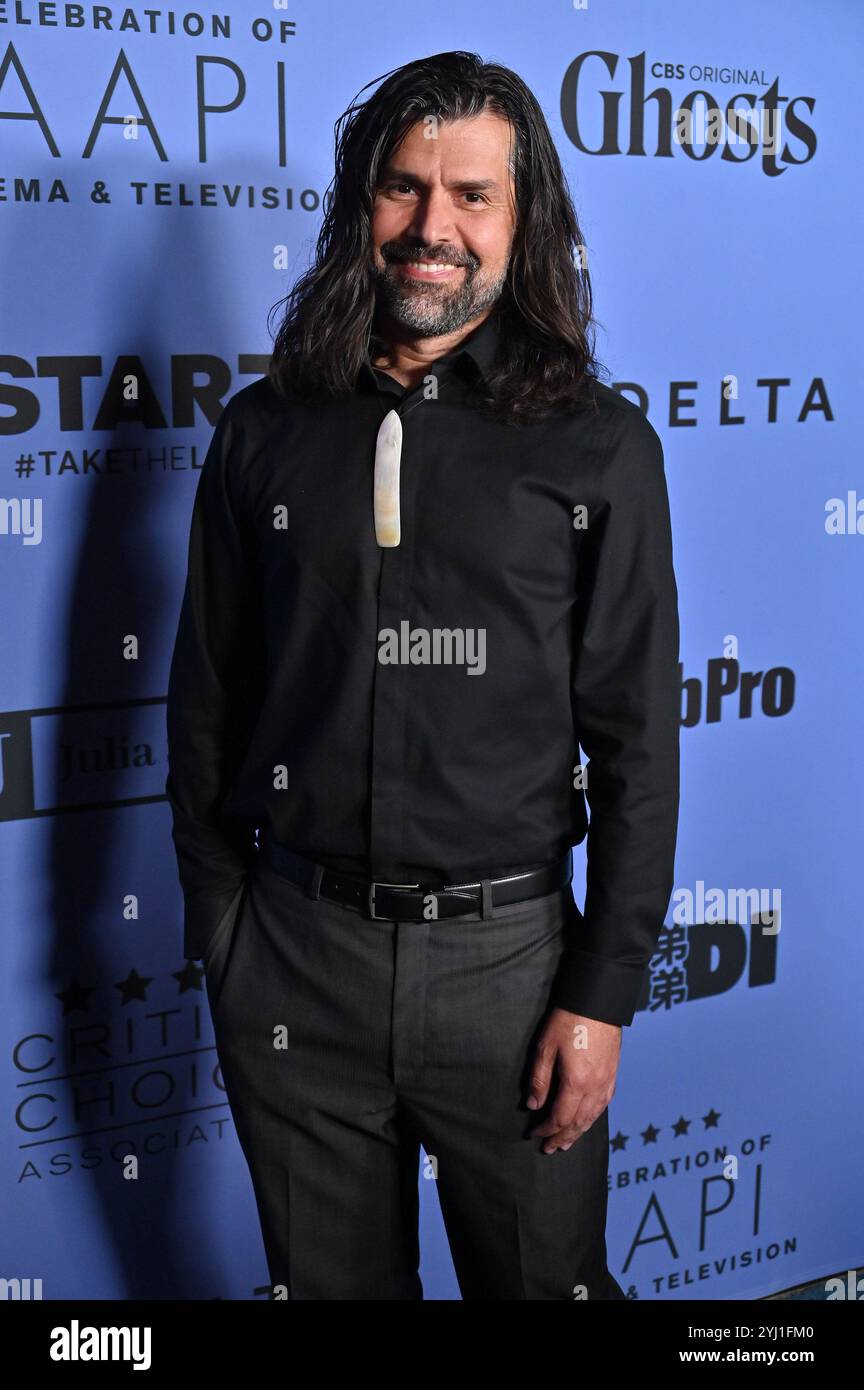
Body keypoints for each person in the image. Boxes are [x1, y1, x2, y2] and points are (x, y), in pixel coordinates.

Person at [165, 50, 680, 1300]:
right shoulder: (265, 430)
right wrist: (229, 938)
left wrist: (600, 997)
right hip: (292, 963)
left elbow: (637, 747)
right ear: (362, 207)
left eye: (471, 195)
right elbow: (206, 704)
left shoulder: (597, 447)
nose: (433, 227)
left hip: (510, 976)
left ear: (523, 218)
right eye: (403, 189)